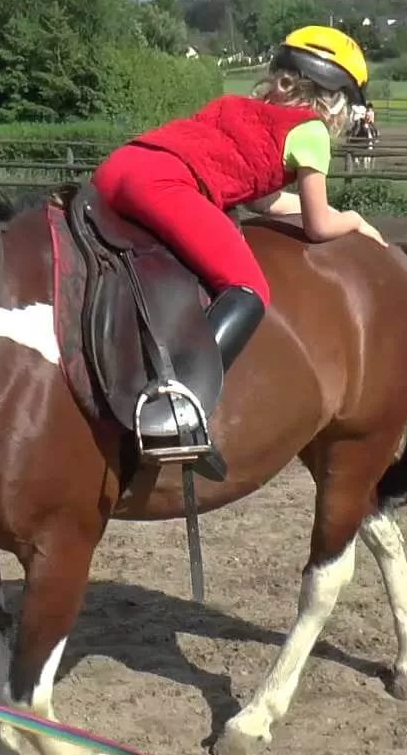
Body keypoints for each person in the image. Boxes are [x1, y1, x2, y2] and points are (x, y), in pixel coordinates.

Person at [91, 24, 385, 445]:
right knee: (247, 286)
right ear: (336, 96)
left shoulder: (234, 106)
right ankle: (179, 399)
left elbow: (265, 201)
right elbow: (318, 227)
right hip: (162, 185)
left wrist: (328, 210)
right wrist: (354, 219)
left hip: (123, 165)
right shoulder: (311, 131)